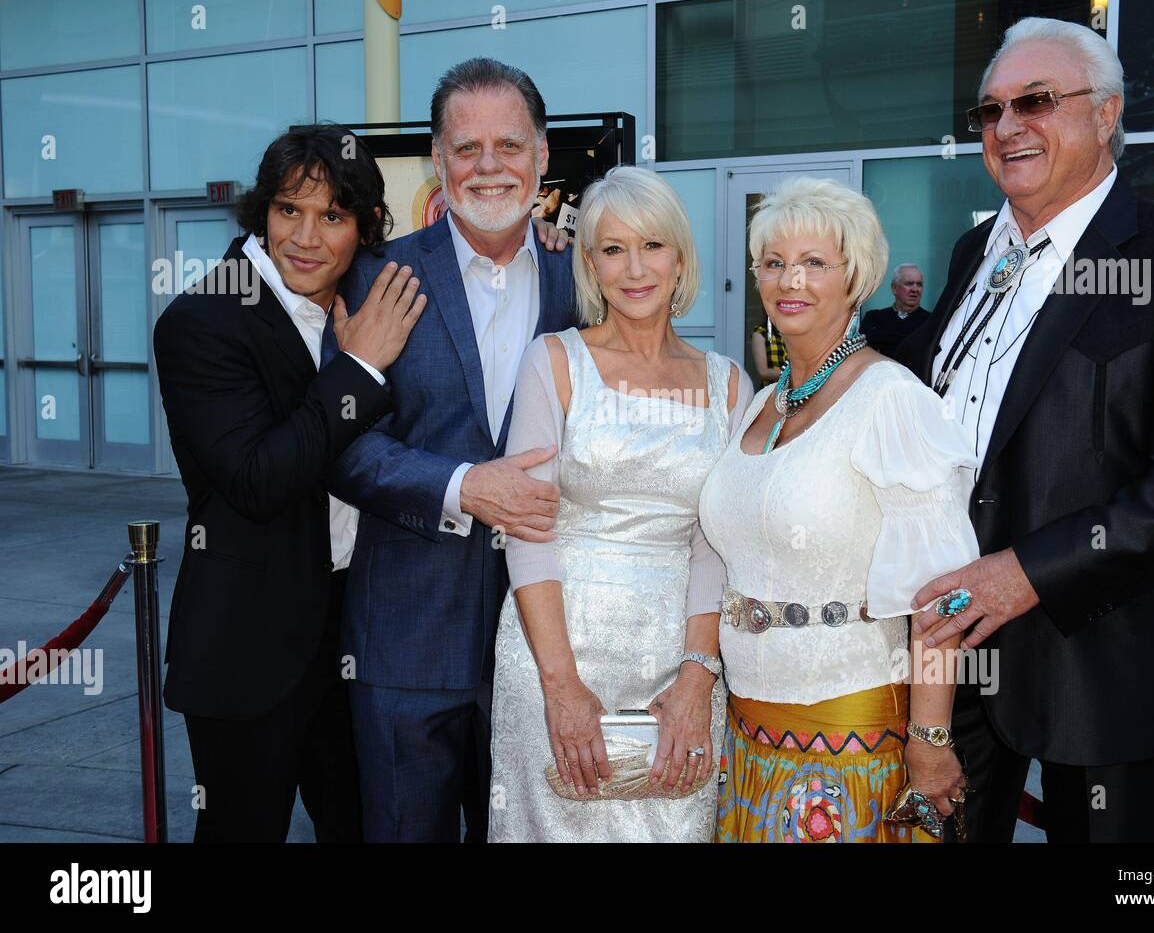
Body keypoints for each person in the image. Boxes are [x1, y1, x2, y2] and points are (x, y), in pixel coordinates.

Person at [896, 17, 1154, 843]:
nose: (1007, 126)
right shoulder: (972, 253)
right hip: (951, 659)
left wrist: (1026, 573)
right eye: (991, 110)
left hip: (1106, 664)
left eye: (1036, 101)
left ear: (1106, 114)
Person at [324, 58, 580, 842]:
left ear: (542, 155)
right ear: (439, 160)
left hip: (550, 646)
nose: (489, 166)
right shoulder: (378, 277)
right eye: (467, 148)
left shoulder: (586, 276)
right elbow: (342, 445)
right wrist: (464, 486)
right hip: (407, 644)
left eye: (510, 145)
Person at [153, 125, 427, 842]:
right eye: (287, 210)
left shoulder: (370, 298)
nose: (305, 238)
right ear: (262, 212)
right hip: (249, 644)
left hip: (361, 634)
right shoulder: (203, 320)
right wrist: (358, 369)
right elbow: (257, 478)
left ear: (365, 225)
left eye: (331, 216)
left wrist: (551, 236)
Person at [699, 177, 978, 843]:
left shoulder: (891, 398)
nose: (789, 279)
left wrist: (931, 740)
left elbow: (942, 593)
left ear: (856, 278)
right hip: (746, 734)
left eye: (815, 262)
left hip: (851, 736)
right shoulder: (761, 403)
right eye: (773, 262)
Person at [488, 166, 752, 842]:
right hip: (555, 652)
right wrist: (561, 684)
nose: (634, 268)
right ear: (590, 264)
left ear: (680, 258)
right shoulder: (552, 361)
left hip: (680, 663)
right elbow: (528, 530)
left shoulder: (728, 385)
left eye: (652, 245)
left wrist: (698, 677)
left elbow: (716, 545)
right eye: (612, 249)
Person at [859, 263, 930, 359]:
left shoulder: (930, 321)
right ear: (894, 288)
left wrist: (883, 337)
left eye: (919, 284)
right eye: (909, 283)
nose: (915, 289)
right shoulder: (874, 318)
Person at [750, 316, 787, 385]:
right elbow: (763, 372)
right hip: (773, 388)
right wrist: (792, 376)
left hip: (799, 389)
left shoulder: (795, 333)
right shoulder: (761, 332)